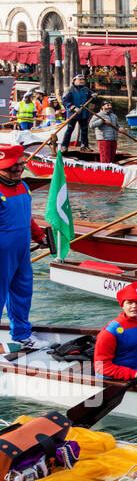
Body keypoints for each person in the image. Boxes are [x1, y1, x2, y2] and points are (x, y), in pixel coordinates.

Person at [0, 145, 47, 348]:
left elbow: (27, 217)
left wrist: (39, 237)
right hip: (2, 255)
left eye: (20, 164)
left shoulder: (23, 186)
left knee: (23, 292)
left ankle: (21, 334)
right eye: (12, 167)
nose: (18, 169)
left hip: (21, 252)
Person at [60, 74, 94, 150]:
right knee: (70, 129)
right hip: (73, 113)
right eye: (80, 80)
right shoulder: (69, 90)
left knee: (84, 130)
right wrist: (73, 107)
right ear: (74, 80)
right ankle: (64, 145)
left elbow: (90, 95)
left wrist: (93, 95)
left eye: (83, 80)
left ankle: (84, 145)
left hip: (84, 113)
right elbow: (65, 101)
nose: (82, 81)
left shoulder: (86, 89)